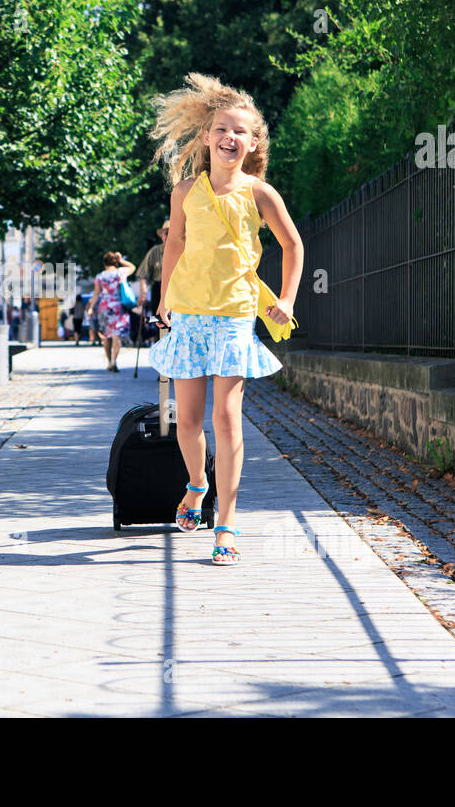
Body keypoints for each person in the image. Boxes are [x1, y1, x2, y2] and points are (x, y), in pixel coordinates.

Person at [147, 73, 303, 566]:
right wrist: (164, 300)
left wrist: (288, 299)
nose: (229, 137)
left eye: (240, 131)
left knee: (227, 418)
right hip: (189, 314)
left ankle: (227, 524)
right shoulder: (186, 189)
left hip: (234, 316)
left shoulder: (260, 193)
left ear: (253, 142)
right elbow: (175, 243)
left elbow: (293, 245)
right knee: (187, 421)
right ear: (207, 137)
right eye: (221, 129)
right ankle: (196, 485)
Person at [90, 251, 136, 371]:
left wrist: (90, 308)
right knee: (117, 335)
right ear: (115, 261)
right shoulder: (121, 272)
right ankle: (113, 361)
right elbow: (132, 267)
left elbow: (96, 294)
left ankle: (109, 361)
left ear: (104, 262)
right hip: (119, 307)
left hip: (104, 307)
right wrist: (121, 260)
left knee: (106, 336)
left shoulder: (100, 276)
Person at [135, 219, 169, 347]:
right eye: (166, 233)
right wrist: (143, 293)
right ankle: (163, 351)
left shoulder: (185, 247)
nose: (168, 235)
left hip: (179, 289)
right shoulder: (155, 251)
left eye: (172, 232)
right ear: (161, 235)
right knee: (161, 322)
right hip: (159, 289)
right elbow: (143, 274)